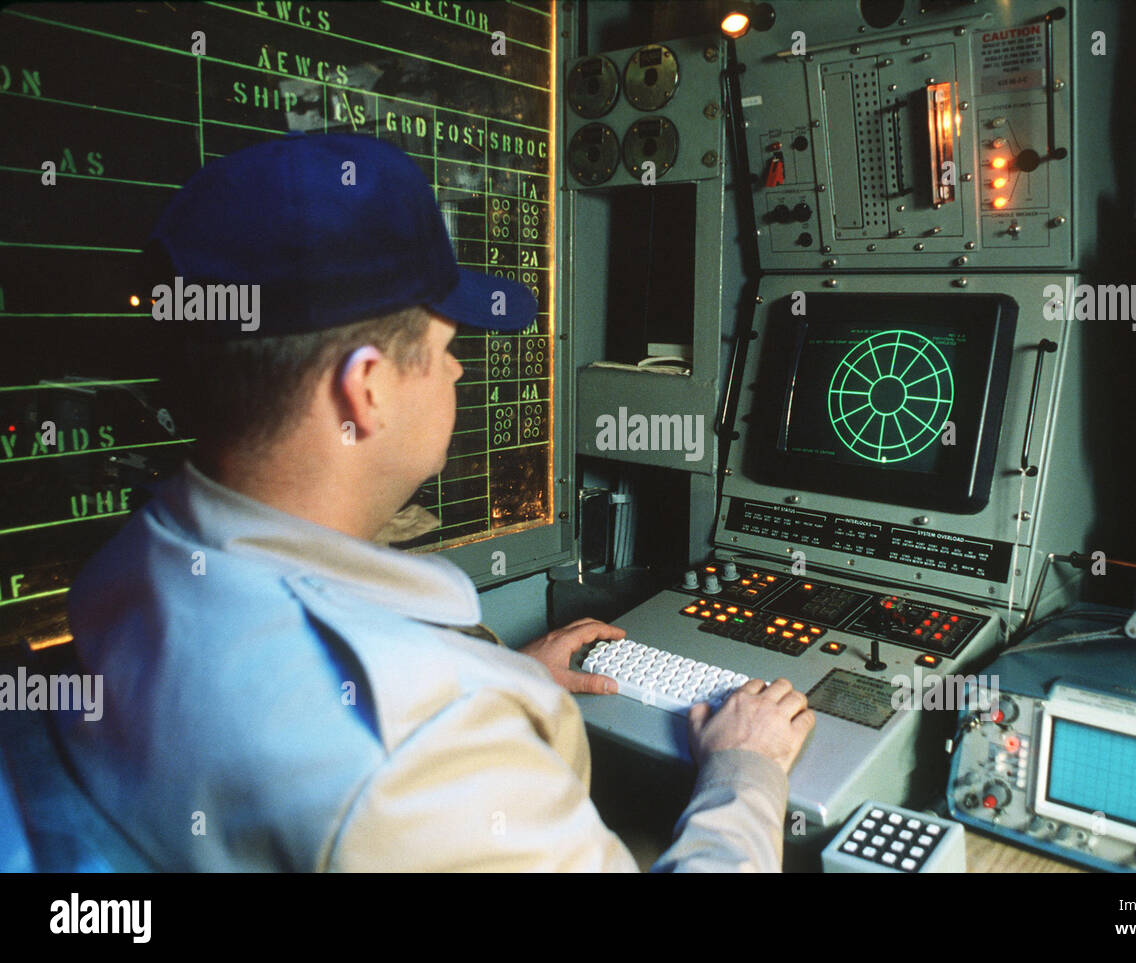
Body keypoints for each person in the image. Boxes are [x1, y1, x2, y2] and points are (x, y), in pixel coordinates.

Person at [56, 133, 815, 871]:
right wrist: (746, 771)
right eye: (448, 347)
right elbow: (400, 768)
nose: (456, 373)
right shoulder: (424, 751)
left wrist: (498, 679)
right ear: (369, 388)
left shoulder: (128, 566)